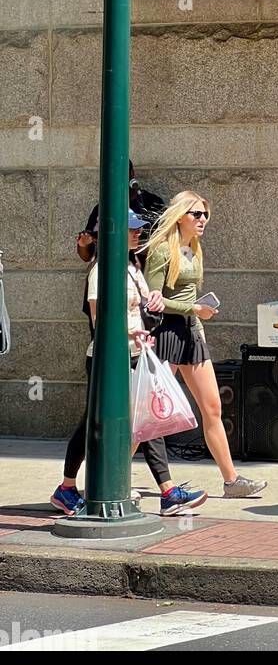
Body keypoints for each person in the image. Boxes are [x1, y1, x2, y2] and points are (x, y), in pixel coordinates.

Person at [52, 210, 207, 518]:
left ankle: (168, 492)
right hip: (107, 360)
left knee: (148, 422)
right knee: (91, 425)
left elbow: (141, 304)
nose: (138, 234)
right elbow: (99, 321)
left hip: (135, 353)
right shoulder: (102, 271)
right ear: (114, 234)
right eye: (132, 229)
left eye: (139, 229)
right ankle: (67, 488)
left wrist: (154, 305)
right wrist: (130, 331)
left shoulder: (133, 267)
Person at [144, 191, 266, 499]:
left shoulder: (194, 249)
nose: (202, 220)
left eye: (205, 215)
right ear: (180, 216)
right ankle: (111, 475)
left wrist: (197, 318)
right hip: (167, 334)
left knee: (212, 407)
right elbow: (152, 303)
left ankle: (231, 480)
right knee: (151, 412)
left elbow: (186, 298)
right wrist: (193, 311)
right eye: (196, 214)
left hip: (191, 332)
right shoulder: (161, 251)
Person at [76, 161, 165, 264]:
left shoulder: (152, 203)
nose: (116, 179)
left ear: (131, 173)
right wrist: (84, 243)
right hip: (111, 269)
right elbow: (86, 256)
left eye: (120, 174)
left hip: (143, 272)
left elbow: (165, 241)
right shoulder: (103, 208)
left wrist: (137, 244)